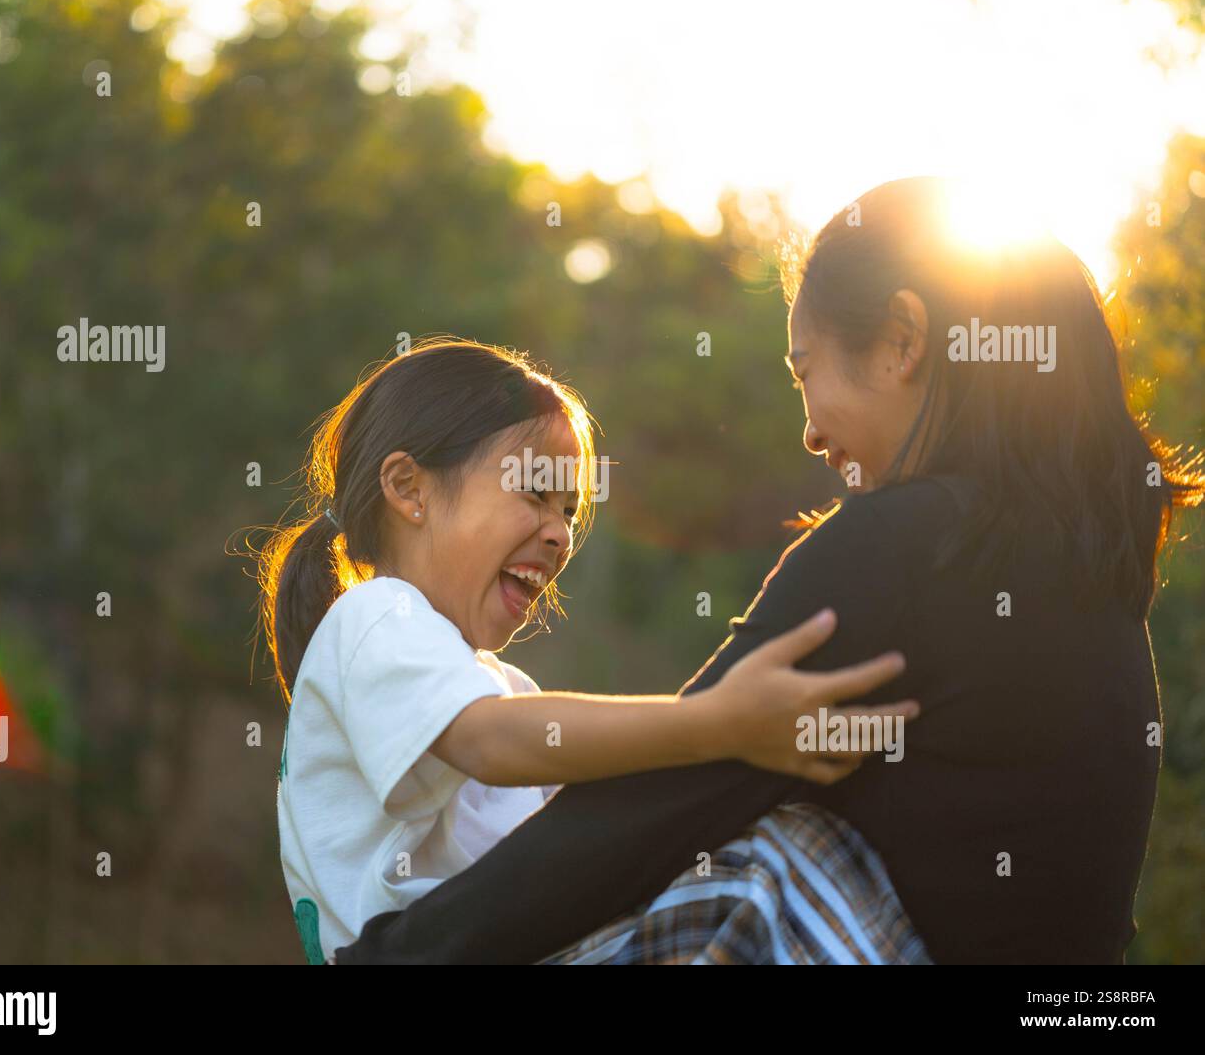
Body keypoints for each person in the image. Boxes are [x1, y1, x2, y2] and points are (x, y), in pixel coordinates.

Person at [332, 178, 1203, 965]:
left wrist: (396, 957)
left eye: (804, 372)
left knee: (763, 860)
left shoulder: (904, 547)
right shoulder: (1094, 573)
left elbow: (648, 815)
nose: (811, 434)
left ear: (902, 340)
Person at [254, 340, 919, 963]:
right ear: (408, 489)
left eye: (570, 512)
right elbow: (493, 743)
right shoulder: (374, 616)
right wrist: (722, 721)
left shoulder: (498, 683)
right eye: (535, 495)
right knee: (775, 866)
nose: (557, 535)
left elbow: (598, 820)